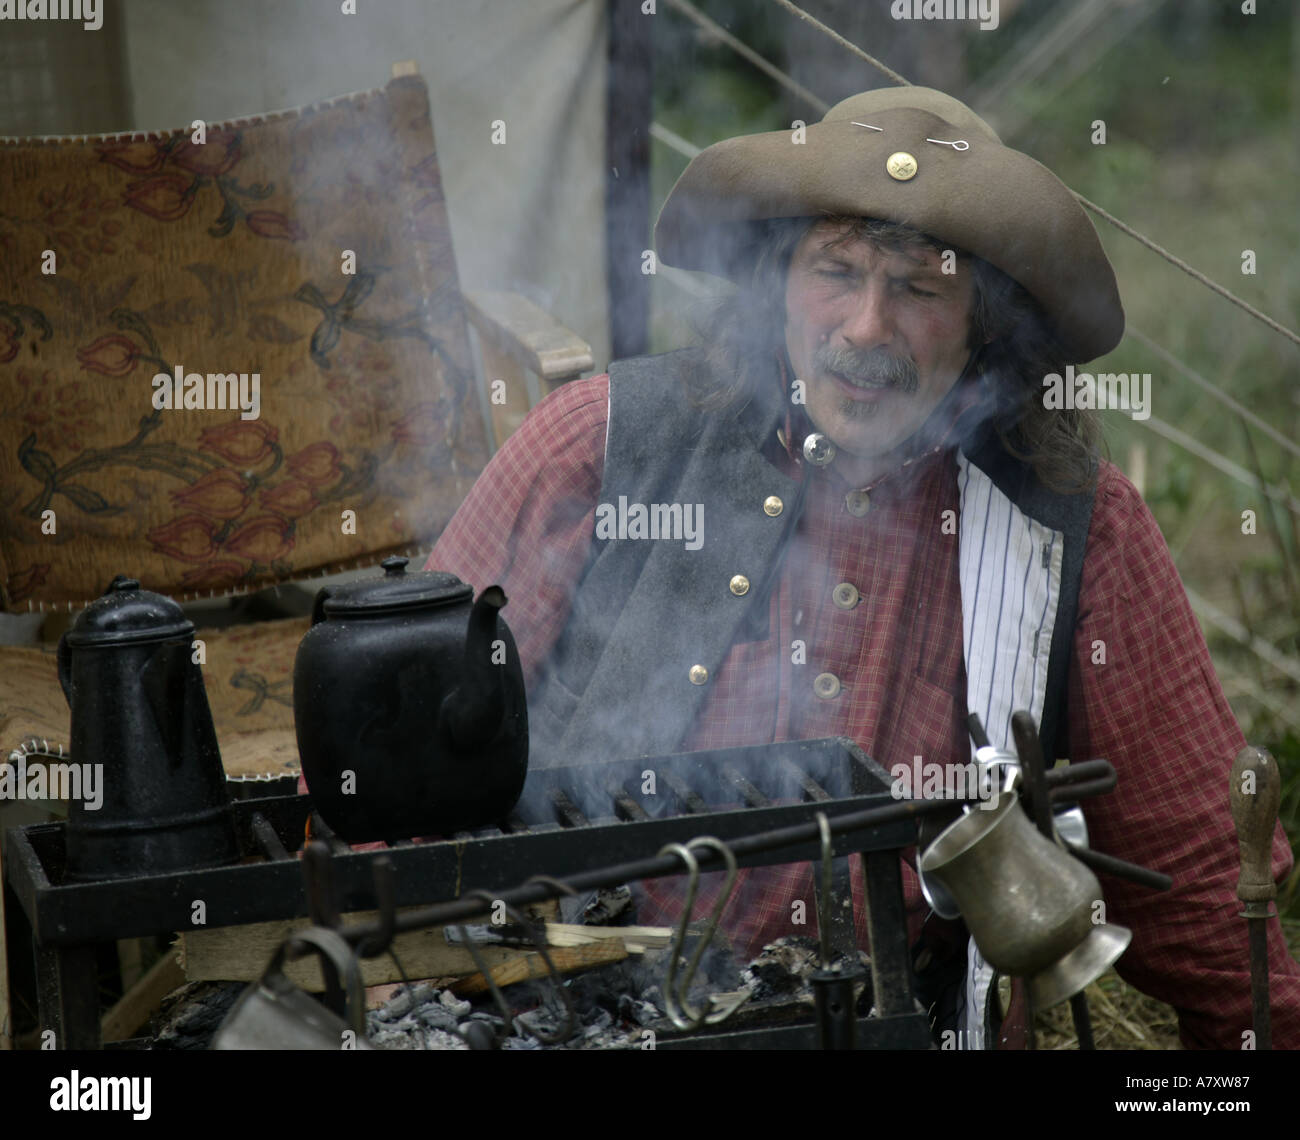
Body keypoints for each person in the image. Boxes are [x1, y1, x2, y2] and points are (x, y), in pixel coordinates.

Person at [427, 87, 1299, 1049]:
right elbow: (409, 764)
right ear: (775, 282)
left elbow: (1208, 895)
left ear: (987, 327)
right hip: (560, 1018)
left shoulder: (1074, 532)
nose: (868, 329)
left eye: (922, 289)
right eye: (836, 272)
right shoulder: (601, 446)